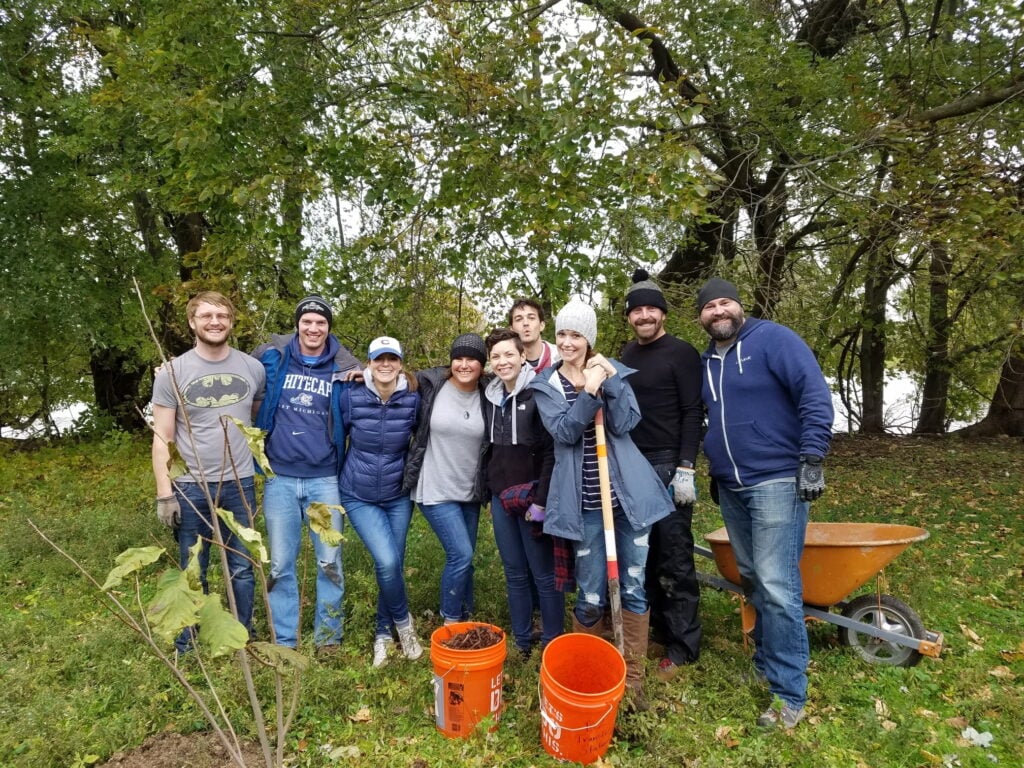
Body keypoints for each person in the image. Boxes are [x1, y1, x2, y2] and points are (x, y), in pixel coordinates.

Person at [697, 278, 833, 729]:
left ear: (739, 306)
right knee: (753, 578)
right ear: (701, 317)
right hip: (731, 486)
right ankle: (765, 662)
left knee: (777, 584)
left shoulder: (774, 340)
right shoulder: (706, 362)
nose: (718, 311)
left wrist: (812, 458)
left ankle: (789, 692)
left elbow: (814, 394)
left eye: (725, 303)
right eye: (709, 307)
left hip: (776, 479)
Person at [532, 299, 672, 710]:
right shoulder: (546, 385)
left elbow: (627, 423)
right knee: (591, 593)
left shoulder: (613, 372)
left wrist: (609, 382)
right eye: (562, 333)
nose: (567, 342)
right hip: (586, 508)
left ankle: (633, 682)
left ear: (588, 339)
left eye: (576, 334)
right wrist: (589, 391)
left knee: (632, 586)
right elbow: (564, 432)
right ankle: (588, 677)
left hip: (629, 502)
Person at [151, 291, 266, 654]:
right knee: (192, 567)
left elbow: (254, 417)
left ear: (231, 322)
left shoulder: (253, 368)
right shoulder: (172, 373)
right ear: (192, 322)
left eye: (222, 316)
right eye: (206, 316)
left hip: (240, 483)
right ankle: (188, 643)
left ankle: (240, 636)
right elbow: (162, 438)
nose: (215, 322)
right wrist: (165, 493)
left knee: (242, 566)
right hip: (190, 486)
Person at [253, 295, 359, 654]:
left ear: (329, 327)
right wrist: (172, 372)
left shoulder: (345, 367)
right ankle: (285, 641)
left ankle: (328, 638)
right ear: (297, 325)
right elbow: (231, 370)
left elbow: (386, 379)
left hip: (324, 479)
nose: (314, 328)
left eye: (321, 322)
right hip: (279, 478)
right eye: (307, 322)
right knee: (281, 563)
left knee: (330, 561)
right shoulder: (272, 356)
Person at [619, 269, 703, 680]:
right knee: (643, 554)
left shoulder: (682, 353)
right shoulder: (626, 356)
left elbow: (692, 411)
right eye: (637, 311)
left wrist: (686, 466)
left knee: (673, 555)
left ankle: (683, 645)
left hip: (669, 465)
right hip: (632, 465)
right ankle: (654, 631)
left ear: (663, 314)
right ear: (629, 317)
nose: (644, 316)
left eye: (652, 309)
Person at [339, 336, 422, 667]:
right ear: (369, 363)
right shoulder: (351, 395)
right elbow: (336, 436)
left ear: (400, 363)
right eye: (379, 359)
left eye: (392, 359)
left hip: (397, 495)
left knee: (393, 565)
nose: (385, 364)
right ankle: (405, 625)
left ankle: (382, 635)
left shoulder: (413, 399)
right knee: (387, 562)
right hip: (358, 494)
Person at [483, 328, 563, 657]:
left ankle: (552, 642)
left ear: (521, 356)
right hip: (502, 498)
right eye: (496, 356)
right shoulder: (490, 396)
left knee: (543, 574)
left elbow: (552, 452)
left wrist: (542, 501)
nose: (503, 362)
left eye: (508, 354)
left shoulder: (539, 393)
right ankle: (521, 641)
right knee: (514, 572)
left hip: (532, 498)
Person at [403, 333, 489, 628]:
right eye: (458, 358)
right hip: (434, 487)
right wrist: (361, 373)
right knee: (461, 554)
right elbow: (389, 376)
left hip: (470, 491)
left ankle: (465, 616)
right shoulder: (430, 384)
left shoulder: (489, 392)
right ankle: (451, 624)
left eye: (471, 359)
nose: (464, 365)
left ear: (482, 365)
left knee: (467, 559)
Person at [508, 298, 559, 372]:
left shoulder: (560, 357)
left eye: (531, 318)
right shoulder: (507, 364)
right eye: (519, 319)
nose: (525, 323)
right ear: (511, 329)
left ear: (541, 325)